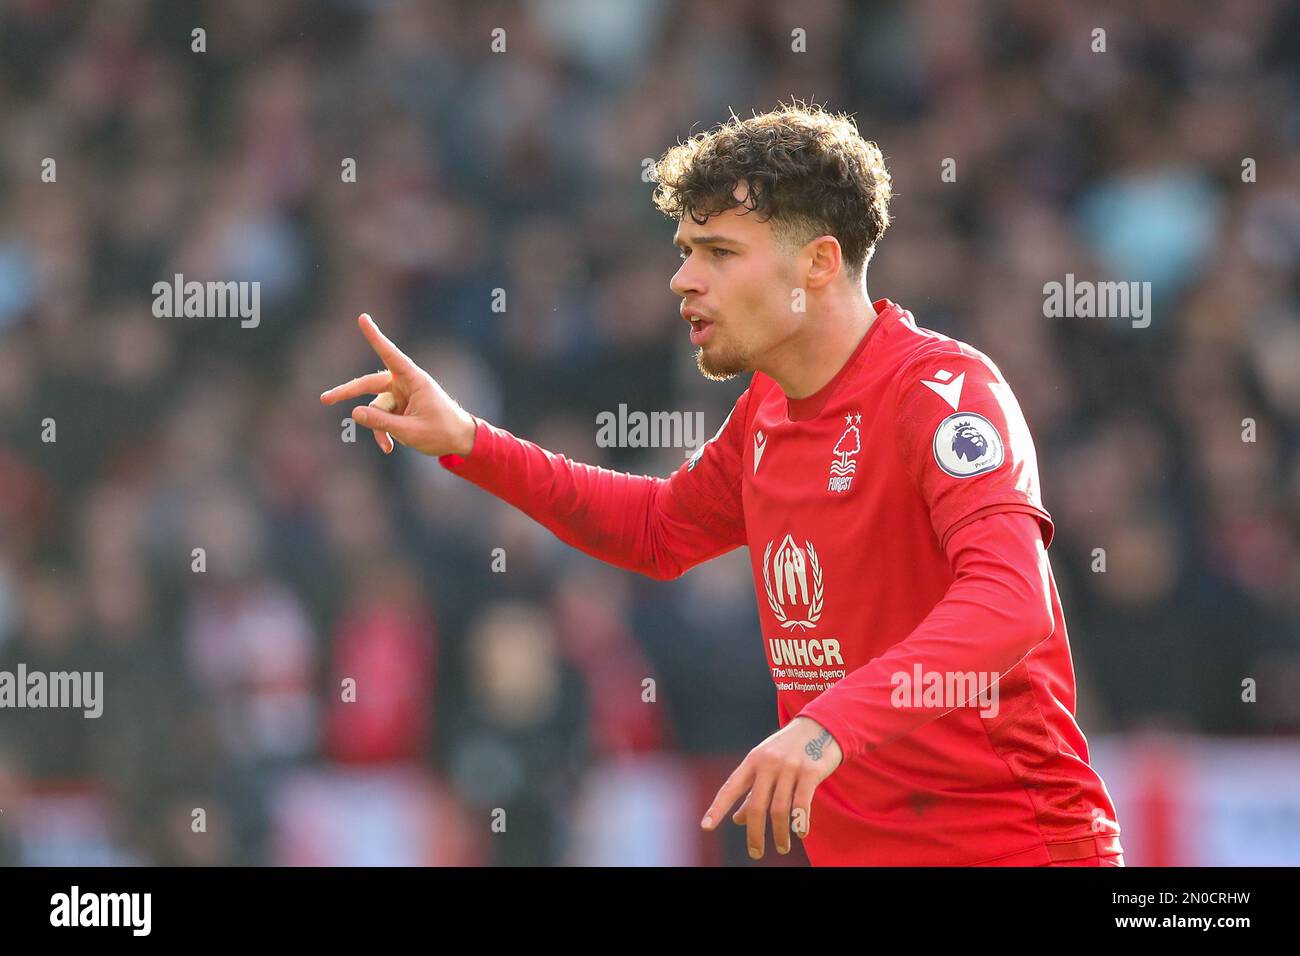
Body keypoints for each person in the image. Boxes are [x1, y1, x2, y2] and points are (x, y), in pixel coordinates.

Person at [321, 101, 1123, 866]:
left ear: (818, 263)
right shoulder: (769, 408)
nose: (683, 279)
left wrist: (826, 727)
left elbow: (1012, 601)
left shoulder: (942, 394)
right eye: (685, 250)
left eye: (719, 252)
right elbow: (659, 530)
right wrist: (472, 442)